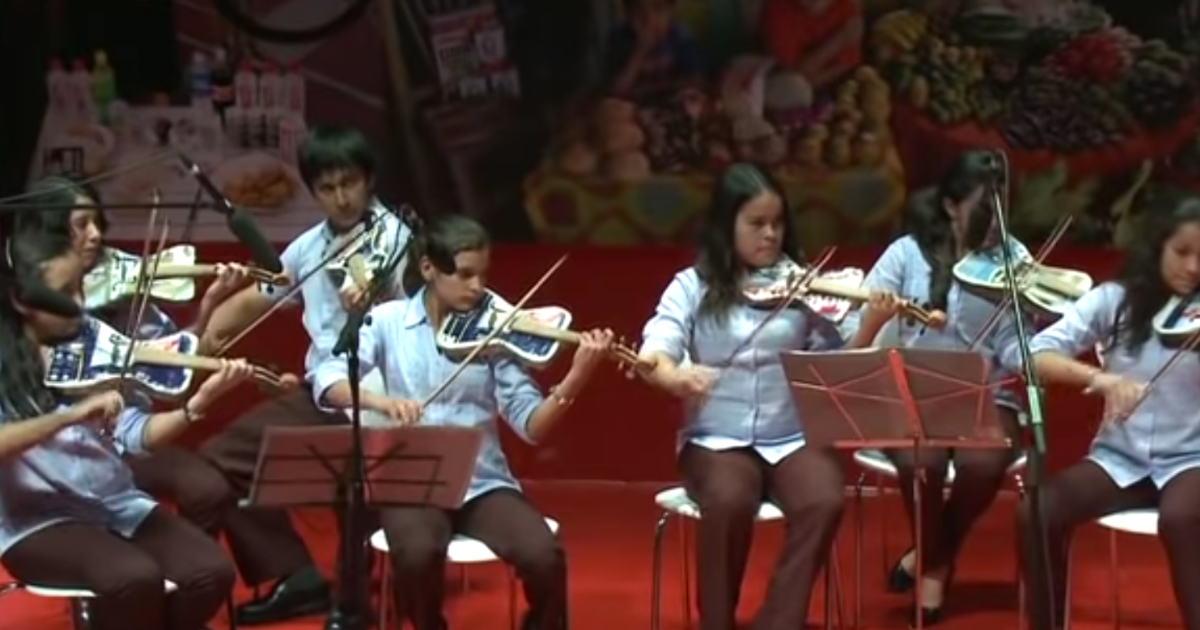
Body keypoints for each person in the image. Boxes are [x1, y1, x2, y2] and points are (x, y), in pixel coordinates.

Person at [313, 213, 612, 630]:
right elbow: (326, 379)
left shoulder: (495, 331)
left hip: (482, 482)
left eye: (483, 274)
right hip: (413, 481)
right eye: (465, 274)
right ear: (429, 269)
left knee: (544, 556)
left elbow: (531, 425)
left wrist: (576, 377)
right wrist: (381, 402)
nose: (478, 287)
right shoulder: (387, 321)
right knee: (416, 556)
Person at [198, 124, 412, 629]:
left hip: (383, 398)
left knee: (358, 478)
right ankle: (296, 575)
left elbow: (422, 321)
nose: (341, 198)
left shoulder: (400, 241)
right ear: (313, 191)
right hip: (322, 392)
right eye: (327, 188)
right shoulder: (309, 247)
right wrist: (210, 335)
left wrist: (378, 301)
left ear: (370, 180)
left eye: (350, 183)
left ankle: (355, 588)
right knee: (215, 464)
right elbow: (259, 297)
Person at [10, 176, 271, 582]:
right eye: (80, 225)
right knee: (128, 574)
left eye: (97, 222)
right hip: (50, 469)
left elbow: (164, 360)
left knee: (206, 494)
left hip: (118, 436)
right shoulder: (25, 302)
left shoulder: (125, 282)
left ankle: (170, 589)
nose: (94, 235)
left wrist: (209, 308)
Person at [637, 162, 852, 630]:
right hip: (716, 440)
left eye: (777, 223)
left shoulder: (802, 286)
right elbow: (657, 345)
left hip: (789, 436)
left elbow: (837, 358)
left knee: (825, 498)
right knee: (730, 500)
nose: (770, 235)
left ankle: (777, 622)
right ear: (725, 225)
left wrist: (870, 317)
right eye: (756, 224)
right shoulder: (691, 286)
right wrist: (673, 377)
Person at [838, 150, 1025, 625]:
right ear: (949, 205)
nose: (993, 222)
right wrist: (876, 318)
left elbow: (1022, 349)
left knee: (984, 461)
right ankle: (937, 568)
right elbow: (855, 342)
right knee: (922, 461)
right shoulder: (906, 253)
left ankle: (926, 554)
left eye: (1001, 207)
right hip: (912, 392)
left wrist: (1037, 328)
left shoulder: (1015, 259)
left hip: (988, 394)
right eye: (984, 207)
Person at [1005, 188, 1200, 630]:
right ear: (1157, 247)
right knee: (1037, 512)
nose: (1193, 267)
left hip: (1193, 461)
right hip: (1119, 460)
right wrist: (1098, 377)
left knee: (1183, 517)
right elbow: (1033, 354)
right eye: (1182, 252)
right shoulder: (1115, 300)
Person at [759, 0, 864, 90]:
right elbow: (793, 77)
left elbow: (847, 64)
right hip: (785, 88)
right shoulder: (778, 12)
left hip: (834, 83)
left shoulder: (844, 5)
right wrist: (838, 42)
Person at [607, 0, 704, 97]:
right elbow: (614, 92)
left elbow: (697, 83)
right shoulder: (620, 39)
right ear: (628, 14)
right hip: (633, 106)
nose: (650, 20)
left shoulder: (682, 39)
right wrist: (640, 51)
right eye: (639, 12)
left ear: (671, 11)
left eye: (658, 9)